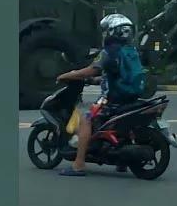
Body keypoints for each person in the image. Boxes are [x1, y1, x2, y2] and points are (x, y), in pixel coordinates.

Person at [54, 13, 143, 177]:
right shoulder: (131, 50)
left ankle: (79, 164)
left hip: (112, 101)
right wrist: (96, 80)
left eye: (105, 30)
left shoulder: (110, 52)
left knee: (85, 119)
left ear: (112, 32)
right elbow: (117, 74)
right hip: (129, 98)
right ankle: (122, 163)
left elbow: (92, 69)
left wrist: (68, 75)